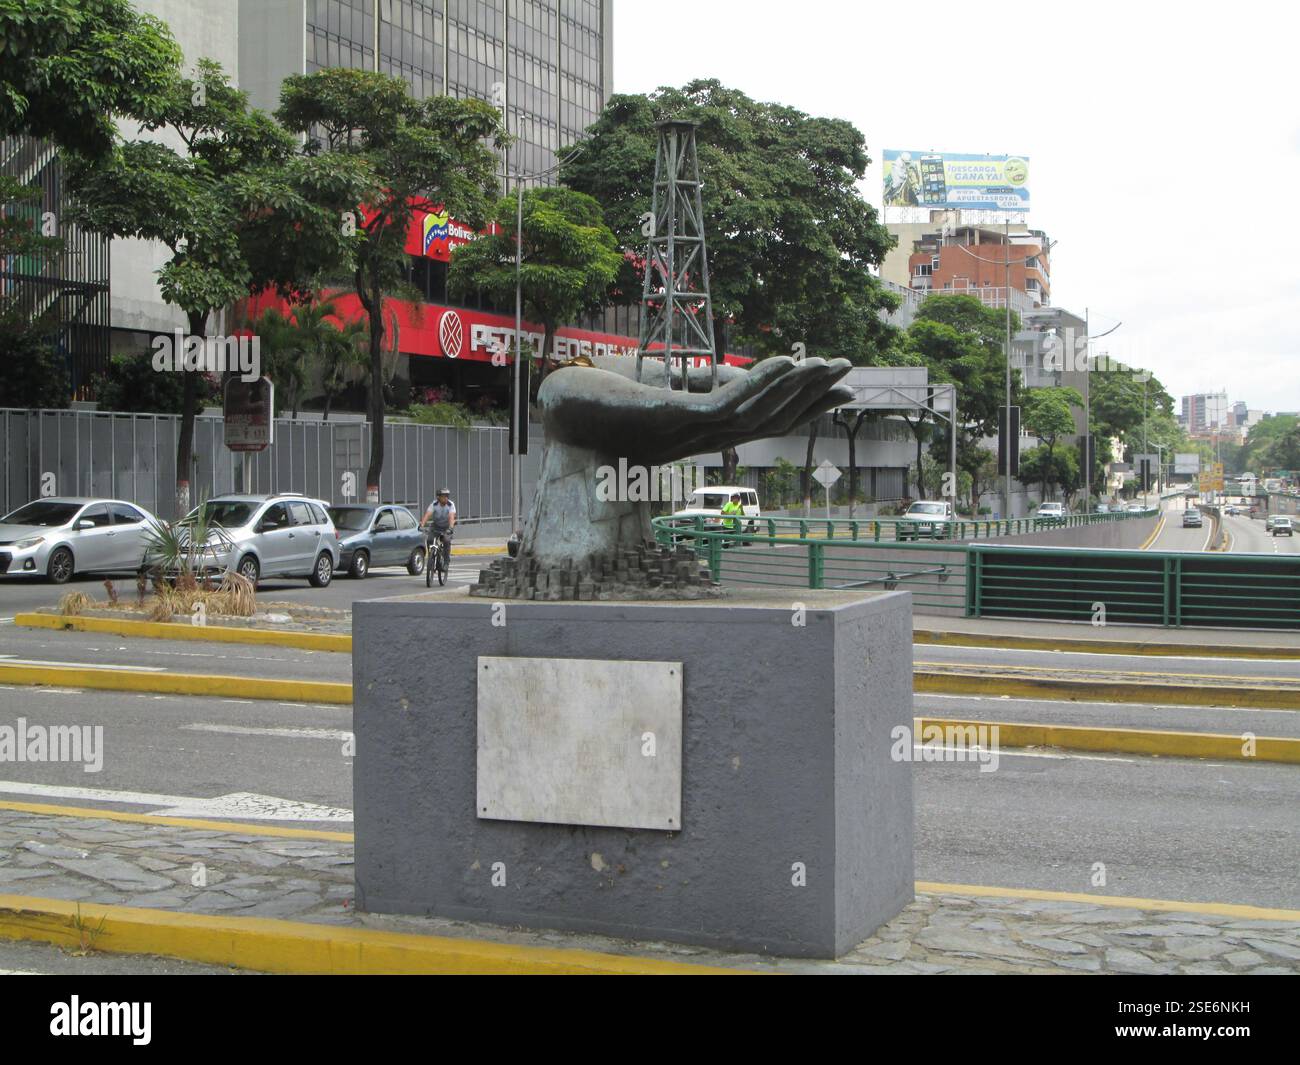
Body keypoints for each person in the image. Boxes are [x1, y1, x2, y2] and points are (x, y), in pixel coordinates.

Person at [420, 488, 457, 567]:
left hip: (447, 527)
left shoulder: (450, 505)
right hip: (436, 526)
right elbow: (427, 515)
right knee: (429, 540)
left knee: (446, 541)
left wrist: (450, 528)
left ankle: (446, 561)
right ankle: (432, 556)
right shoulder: (434, 504)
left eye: (447, 496)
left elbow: (451, 517)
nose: (446, 498)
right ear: (438, 497)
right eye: (443, 496)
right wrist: (422, 525)